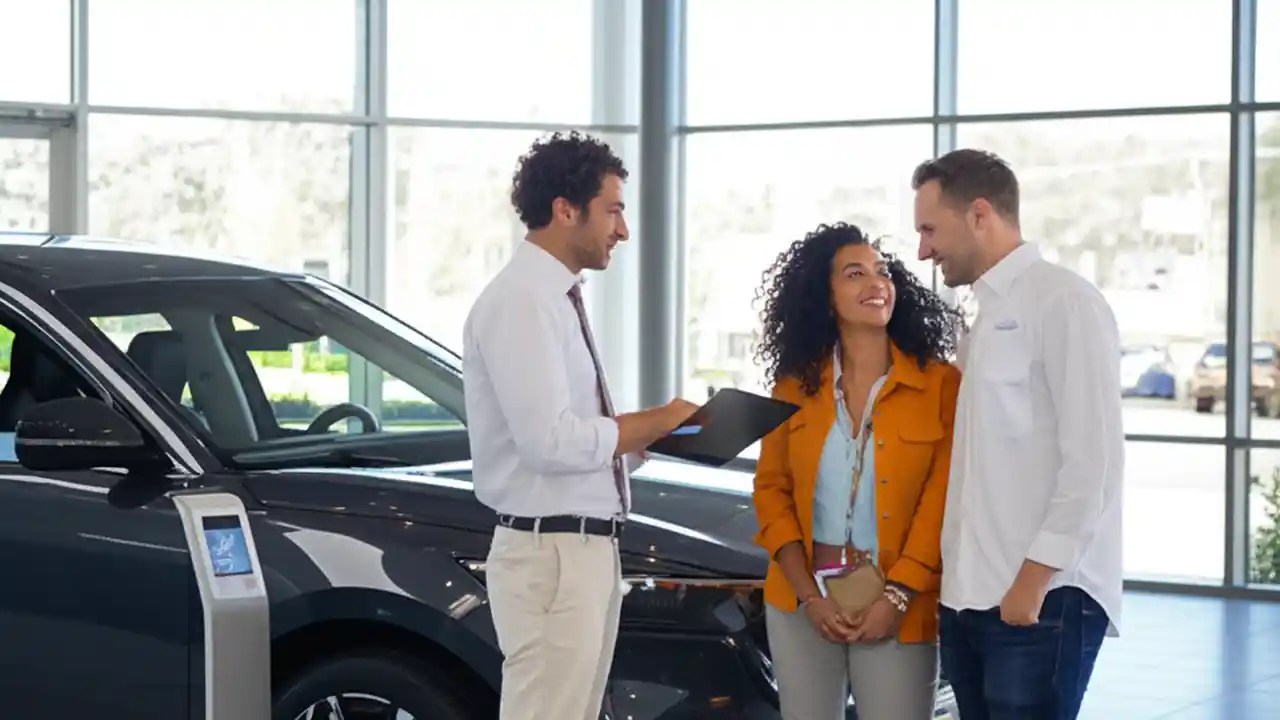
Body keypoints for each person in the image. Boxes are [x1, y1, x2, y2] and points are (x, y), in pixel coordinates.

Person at [462, 130, 699, 720]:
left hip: (578, 550)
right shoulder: (523, 300)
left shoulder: (554, 296)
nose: (622, 230)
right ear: (565, 210)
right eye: (613, 210)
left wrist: (655, 438)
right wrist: (652, 421)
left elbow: (572, 443)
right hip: (552, 554)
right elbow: (549, 443)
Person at [912, 148, 1124, 720]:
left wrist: (1031, 583)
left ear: (979, 214)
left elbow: (1093, 463)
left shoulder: (1064, 302)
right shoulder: (979, 319)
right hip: (970, 601)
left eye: (930, 229)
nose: (923, 250)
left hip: (1041, 600)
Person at [752, 222, 963, 720]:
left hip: (900, 604)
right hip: (802, 603)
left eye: (882, 271)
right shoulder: (793, 386)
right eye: (855, 274)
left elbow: (942, 501)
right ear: (825, 298)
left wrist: (897, 594)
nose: (877, 283)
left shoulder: (940, 385)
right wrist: (809, 597)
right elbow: (771, 490)